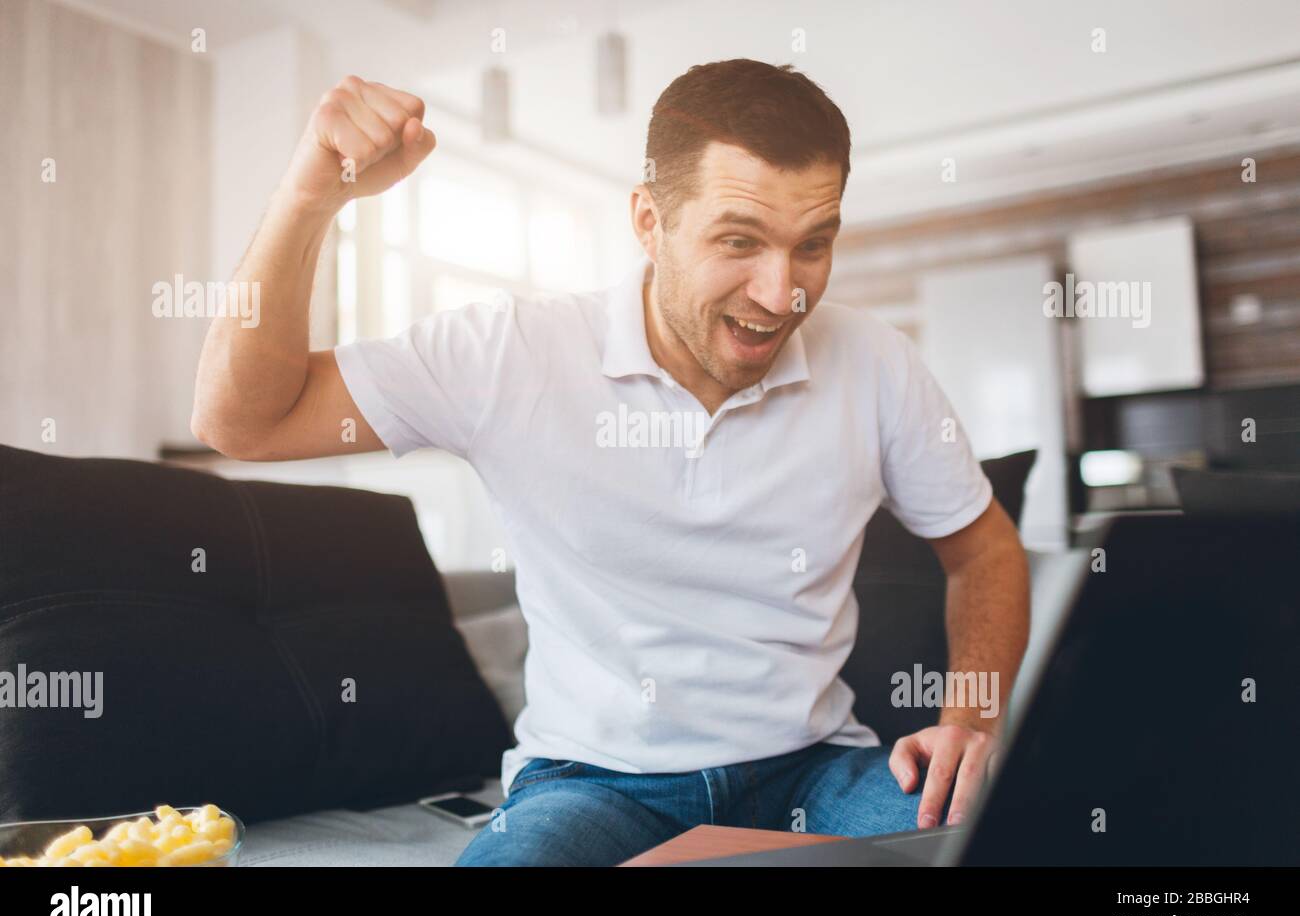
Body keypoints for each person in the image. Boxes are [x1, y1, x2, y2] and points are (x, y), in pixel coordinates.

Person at [192, 59, 1030, 867]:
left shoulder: (877, 362)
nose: (783, 295)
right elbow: (243, 422)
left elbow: (983, 549)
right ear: (647, 222)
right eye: (739, 241)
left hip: (813, 767)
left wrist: (972, 723)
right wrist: (310, 198)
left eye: (813, 244)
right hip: (594, 785)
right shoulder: (509, 353)